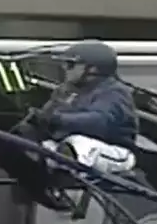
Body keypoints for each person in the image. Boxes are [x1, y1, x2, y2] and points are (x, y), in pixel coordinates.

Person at [31, 40, 138, 175]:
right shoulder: (64, 90)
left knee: (79, 145)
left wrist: (58, 119)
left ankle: (69, 183)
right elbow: (48, 116)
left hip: (114, 151)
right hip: (65, 145)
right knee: (37, 146)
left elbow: (99, 121)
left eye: (70, 64)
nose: (64, 68)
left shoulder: (114, 91)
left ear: (93, 69)